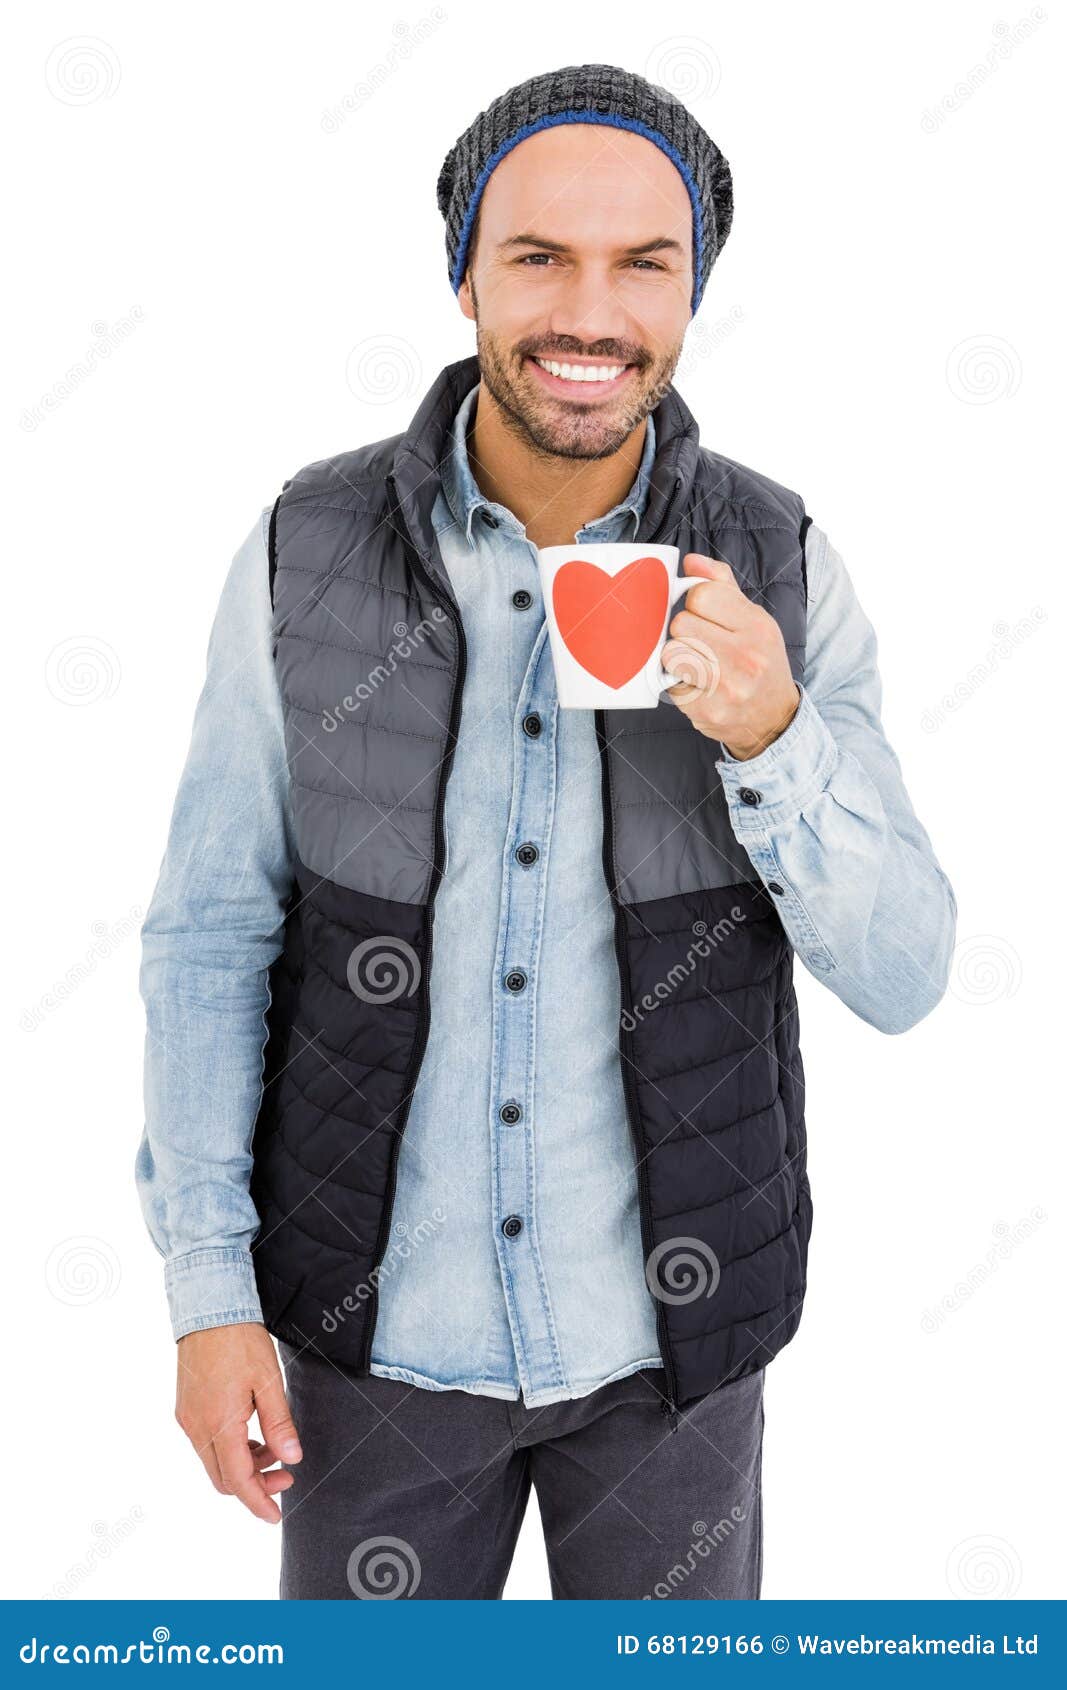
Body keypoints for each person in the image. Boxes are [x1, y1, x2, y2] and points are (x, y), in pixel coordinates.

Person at [136, 62, 957, 1600]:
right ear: (463, 275)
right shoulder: (306, 551)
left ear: (693, 294)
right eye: (539, 257)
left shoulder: (774, 556)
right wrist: (206, 1294)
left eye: (643, 263)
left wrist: (778, 738)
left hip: (674, 1368)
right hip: (372, 1351)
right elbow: (210, 931)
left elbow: (910, 970)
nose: (591, 314)